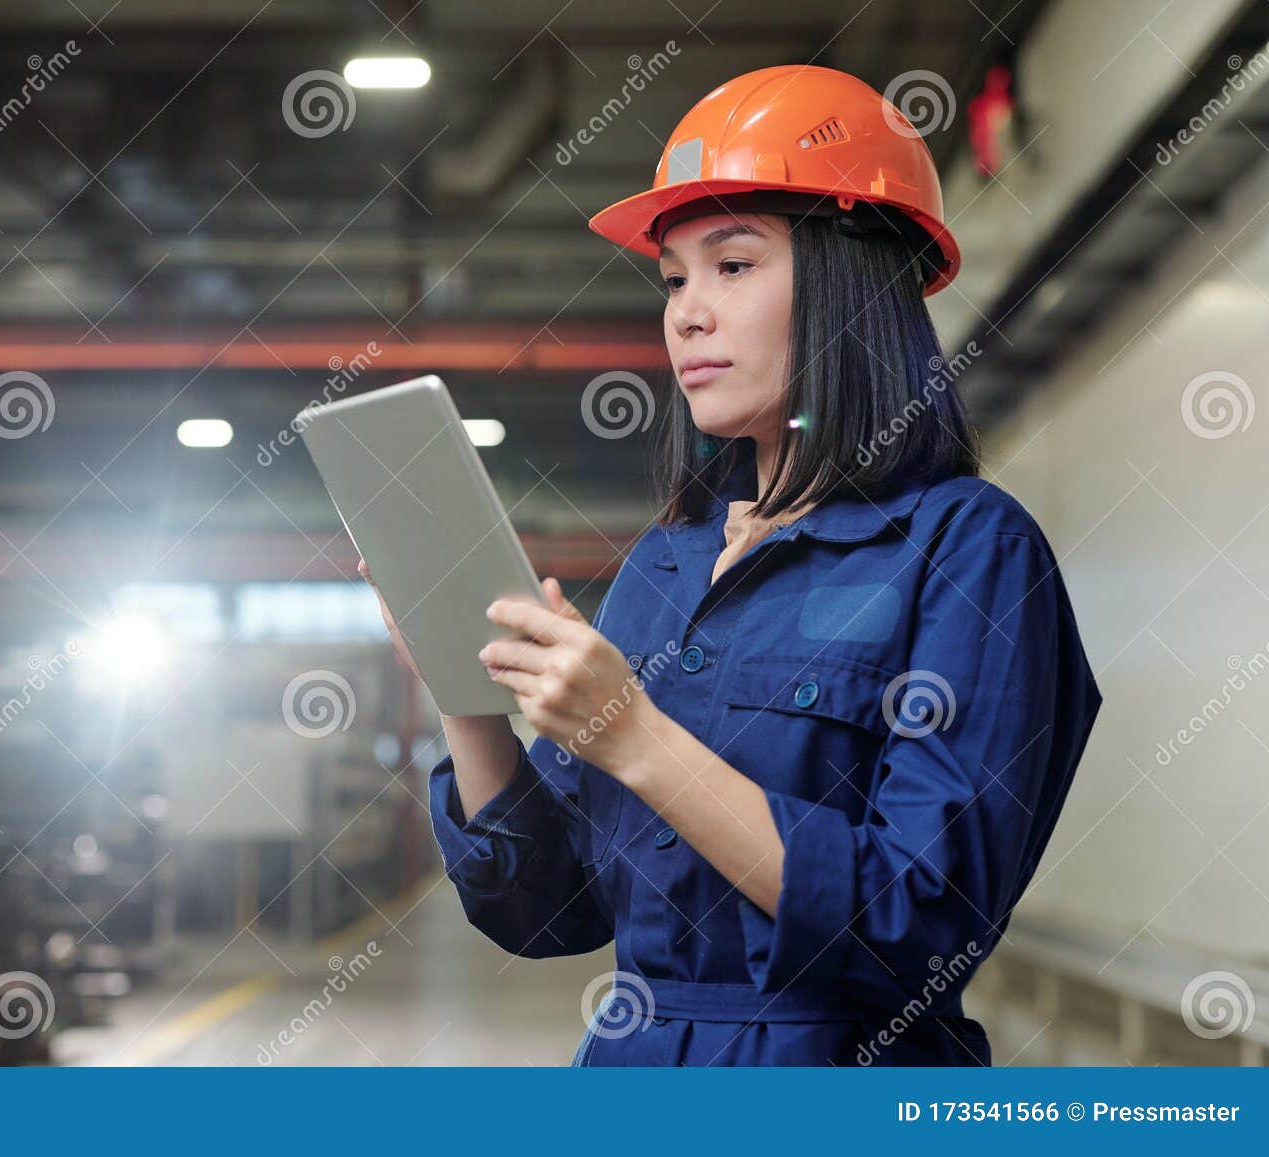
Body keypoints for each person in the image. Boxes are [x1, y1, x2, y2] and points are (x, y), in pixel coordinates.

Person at [361, 64, 1103, 1066]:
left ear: (851, 285)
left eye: (733, 265)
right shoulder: (666, 568)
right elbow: (547, 912)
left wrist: (635, 736)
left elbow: (918, 922)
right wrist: (462, 684)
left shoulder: (969, 550)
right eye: (672, 277)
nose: (686, 312)